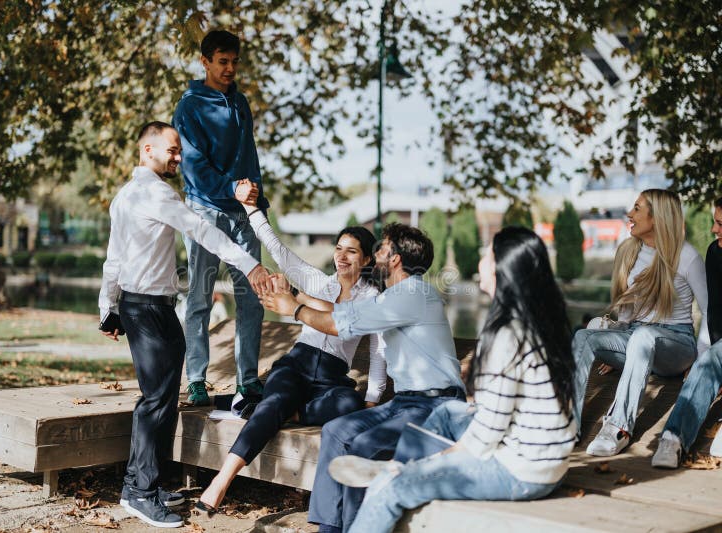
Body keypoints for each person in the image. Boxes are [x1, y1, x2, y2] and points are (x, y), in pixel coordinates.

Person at [330, 226, 577, 533]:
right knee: (447, 412)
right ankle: (397, 468)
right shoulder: (540, 321)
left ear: (503, 267)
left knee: (393, 488)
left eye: (488, 255)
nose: (480, 262)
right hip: (545, 458)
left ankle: (397, 473)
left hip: (521, 471)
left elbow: (487, 435)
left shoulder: (506, 334)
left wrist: (433, 464)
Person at [99, 121, 269, 528]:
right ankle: (139, 492)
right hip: (148, 309)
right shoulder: (156, 194)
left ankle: (146, 484)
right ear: (147, 149)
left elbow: (113, 259)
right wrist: (250, 263)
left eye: (179, 152)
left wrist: (109, 306)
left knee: (162, 397)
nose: (179, 157)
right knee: (154, 400)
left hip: (151, 307)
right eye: (172, 151)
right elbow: (205, 232)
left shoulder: (126, 196)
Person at [261, 223, 465, 533]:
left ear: (394, 259)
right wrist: (294, 297)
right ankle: (329, 529)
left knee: (362, 446)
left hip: (437, 406)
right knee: (335, 431)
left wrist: (295, 309)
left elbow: (342, 325)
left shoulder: (412, 293)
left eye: (381, 249)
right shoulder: (392, 297)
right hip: (406, 403)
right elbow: (342, 313)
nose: (376, 254)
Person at [194, 202, 387, 514]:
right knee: (272, 405)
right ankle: (221, 481)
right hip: (297, 363)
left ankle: (283, 410)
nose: (341, 256)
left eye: (351, 251)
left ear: (365, 259)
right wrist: (251, 208)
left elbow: (379, 352)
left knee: (349, 404)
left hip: (331, 378)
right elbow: (277, 249)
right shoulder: (319, 281)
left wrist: (373, 398)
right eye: (338, 248)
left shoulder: (373, 300)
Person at [572, 189, 710, 457]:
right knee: (582, 337)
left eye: (637, 208)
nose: (629, 214)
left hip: (677, 346)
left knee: (644, 335)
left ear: (657, 217)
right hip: (636, 338)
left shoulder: (687, 256)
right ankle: (567, 424)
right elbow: (628, 312)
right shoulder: (631, 251)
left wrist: (701, 360)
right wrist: (615, 347)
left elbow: (710, 311)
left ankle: (618, 427)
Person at [172, 30, 268, 406]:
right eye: (222, 61)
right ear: (206, 62)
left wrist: (256, 197)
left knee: (253, 297)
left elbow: (249, 154)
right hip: (204, 213)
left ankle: (249, 380)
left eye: (234, 61)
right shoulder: (189, 107)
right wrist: (232, 190)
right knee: (199, 296)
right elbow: (193, 168)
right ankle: (196, 378)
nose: (229, 68)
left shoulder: (240, 101)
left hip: (243, 211)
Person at [651, 197, 722, 467]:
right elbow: (714, 311)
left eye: (720, 224)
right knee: (710, 359)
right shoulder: (715, 253)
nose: (715, 230)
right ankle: (673, 438)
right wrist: (707, 357)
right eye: (715, 222)